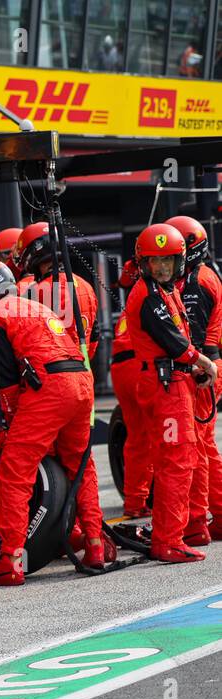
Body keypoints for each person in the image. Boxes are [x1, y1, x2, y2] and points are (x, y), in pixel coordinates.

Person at [0, 258, 107, 582]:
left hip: (50, 387)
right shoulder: (37, 307)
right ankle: (95, 544)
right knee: (80, 463)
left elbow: (9, 385)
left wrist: (11, 428)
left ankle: (11, 559)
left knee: (14, 469)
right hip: (82, 383)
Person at [123, 223, 218, 562]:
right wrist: (205, 363)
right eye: (154, 261)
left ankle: (178, 531)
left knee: (182, 460)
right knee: (177, 462)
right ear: (143, 262)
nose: (162, 267)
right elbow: (175, 343)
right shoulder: (150, 295)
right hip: (166, 387)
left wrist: (194, 368)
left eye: (167, 261)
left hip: (173, 383)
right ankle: (169, 538)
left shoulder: (163, 290)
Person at [165, 215, 222, 543]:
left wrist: (195, 367)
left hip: (202, 371)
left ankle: (196, 522)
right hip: (208, 368)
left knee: (195, 450)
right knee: (205, 447)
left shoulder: (197, 285)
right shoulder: (203, 275)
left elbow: (193, 339)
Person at [109, 260, 154, 519]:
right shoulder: (156, 293)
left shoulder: (135, 295)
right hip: (140, 364)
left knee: (137, 437)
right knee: (167, 437)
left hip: (120, 367)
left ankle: (136, 501)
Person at [15, 221, 99, 356]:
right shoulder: (86, 285)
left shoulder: (35, 293)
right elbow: (94, 334)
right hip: (84, 368)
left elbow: (25, 340)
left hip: (52, 370)